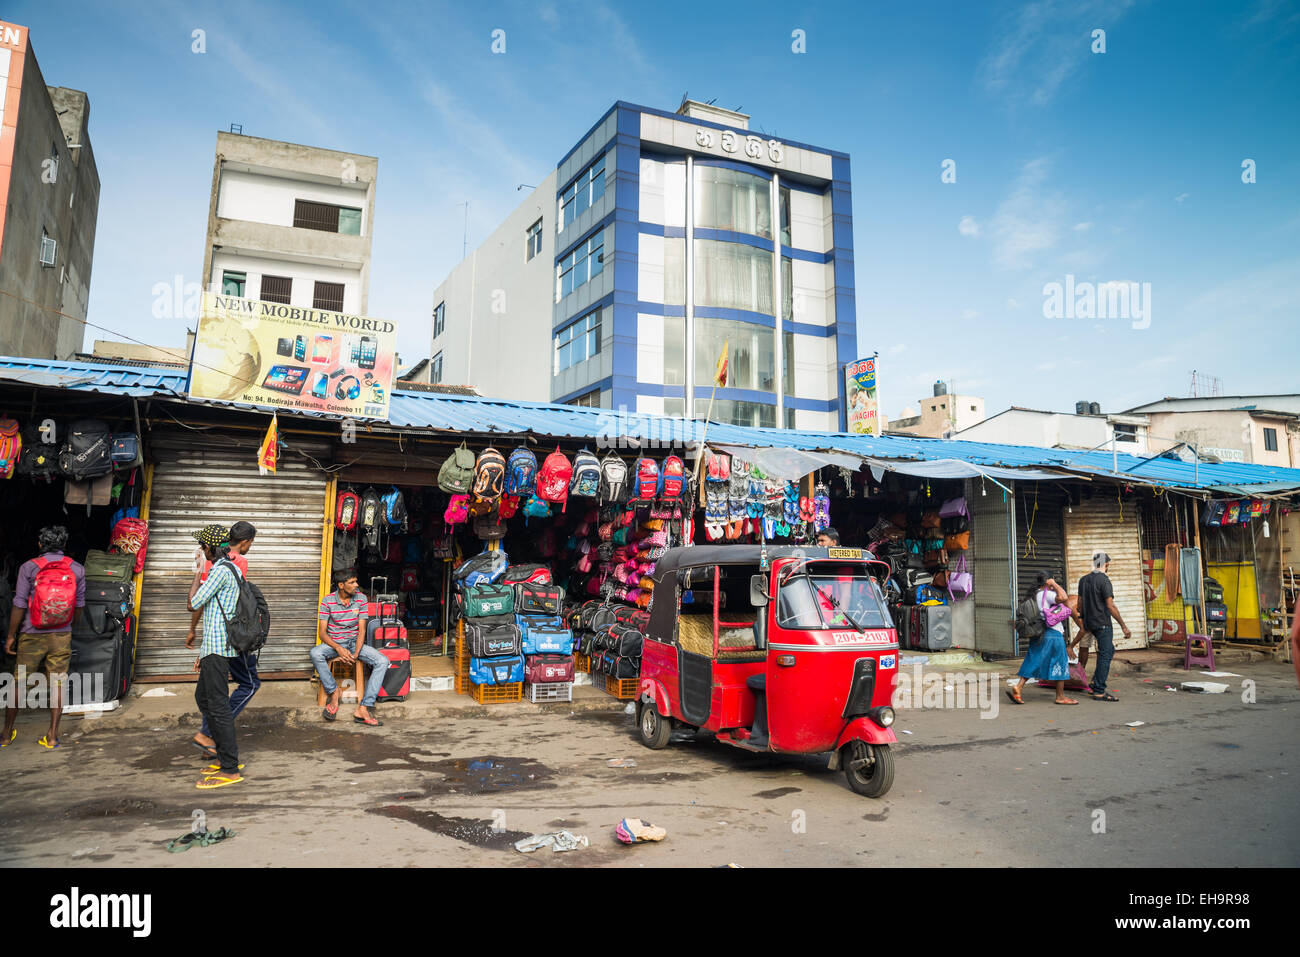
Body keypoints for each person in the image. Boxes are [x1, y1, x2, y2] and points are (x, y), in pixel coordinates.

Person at [2, 526, 85, 750]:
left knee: (19, 682)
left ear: (40, 544)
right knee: (58, 683)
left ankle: (6, 735)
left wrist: (11, 635)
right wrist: (68, 627)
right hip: (61, 634)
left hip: (31, 633)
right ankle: (52, 736)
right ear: (64, 546)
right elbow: (79, 605)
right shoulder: (76, 569)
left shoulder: (28, 567)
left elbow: (19, 603)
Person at [188, 521, 258, 760]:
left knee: (219, 707)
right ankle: (211, 738)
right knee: (204, 698)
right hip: (214, 647)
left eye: (201, 545)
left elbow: (194, 603)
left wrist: (198, 570)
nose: (200, 550)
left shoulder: (220, 570)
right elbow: (214, 612)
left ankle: (227, 759)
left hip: (219, 648)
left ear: (209, 548)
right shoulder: (230, 567)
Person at [311, 572, 389, 727]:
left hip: (354, 644)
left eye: (356, 581)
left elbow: (362, 631)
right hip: (334, 644)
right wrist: (339, 648)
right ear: (341, 585)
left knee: (382, 661)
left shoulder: (361, 599)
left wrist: (355, 653)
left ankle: (364, 707)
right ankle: (334, 692)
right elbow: (322, 633)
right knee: (315, 653)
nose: (356, 585)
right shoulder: (327, 601)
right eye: (352, 582)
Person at [1007, 573, 1081, 706]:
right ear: (1047, 581)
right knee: (1060, 663)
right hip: (1053, 634)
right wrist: (1054, 584)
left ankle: (1018, 687)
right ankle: (1060, 696)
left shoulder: (1034, 595)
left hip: (1039, 633)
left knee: (1033, 660)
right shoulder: (1046, 594)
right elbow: (1064, 597)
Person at [1078, 551, 1131, 702]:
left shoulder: (1083, 580)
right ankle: (1099, 690)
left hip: (1089, 623)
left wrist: (1084, 620)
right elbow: (1110, 606)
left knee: (1108, 651)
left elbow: (1080, 604)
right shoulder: (1104, 581)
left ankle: (1095, 681)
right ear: (1106, 564)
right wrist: (1123, 626)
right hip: (1102, 624)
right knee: (1105, 654)